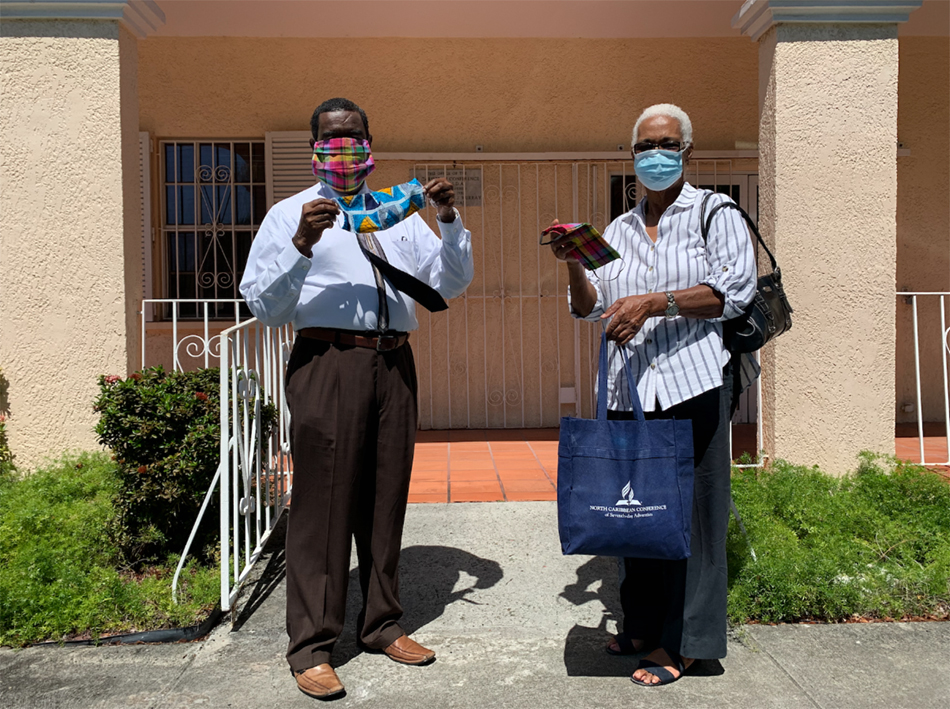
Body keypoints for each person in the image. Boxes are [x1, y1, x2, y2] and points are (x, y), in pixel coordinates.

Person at [240, 97, 474, 700]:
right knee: (322, 506)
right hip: (328, 360)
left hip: (393, 360)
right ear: (314, 147)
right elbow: (263, 304)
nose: (343, 147)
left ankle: (382, 624)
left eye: (354, 137)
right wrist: (298, 245)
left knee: (385, 493)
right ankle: (312, 645)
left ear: (370, 144)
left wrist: (447, 220)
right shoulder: (291, 214)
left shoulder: (396, 211)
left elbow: (450, 282)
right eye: (330, 138)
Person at [547, 103, 757, 686]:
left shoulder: (717, 213)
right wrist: (572, 266)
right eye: (644, 146)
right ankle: (641, 626)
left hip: (693, 384)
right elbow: (592, 307)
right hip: (629, 389)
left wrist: (654, 303)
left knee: (694, 519)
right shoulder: (617, 229)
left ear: (687, 151)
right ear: (633, 155)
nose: (654, 155)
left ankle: (685, 644)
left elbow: (733, 293)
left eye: (666, 143)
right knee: (636, 513)